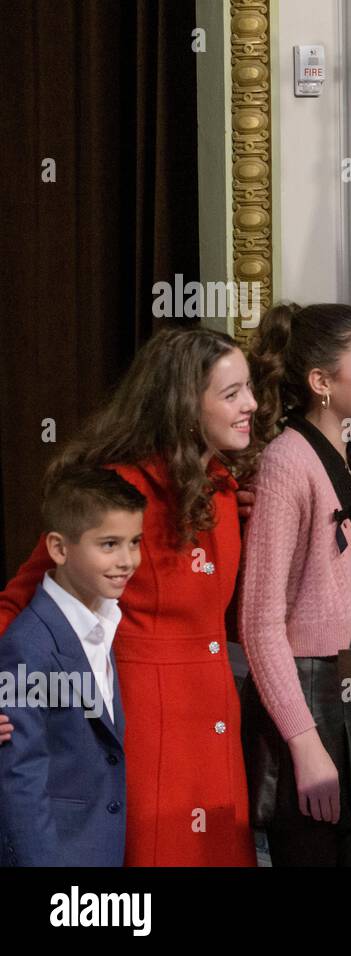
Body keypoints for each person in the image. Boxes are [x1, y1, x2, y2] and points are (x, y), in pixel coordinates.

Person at [0, 326, 258, 866]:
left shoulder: (225, 489)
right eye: (232, 394)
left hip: (217, 723)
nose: (251, 405)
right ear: (185, 405)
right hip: (147, 731)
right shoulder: (118, 491)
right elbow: (21, 599)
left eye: (248, 389)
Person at [240, 302, 351, 866]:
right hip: (311, 701)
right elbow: (260, 623)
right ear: (321, 382)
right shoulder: (287, 461)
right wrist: (304, 742)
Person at [0, 467, 144, 866]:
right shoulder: (29, 647)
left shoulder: (104, 622)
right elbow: (20, 780)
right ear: (59, 549)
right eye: (110, 544)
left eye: (135, 542)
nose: (128, 560)